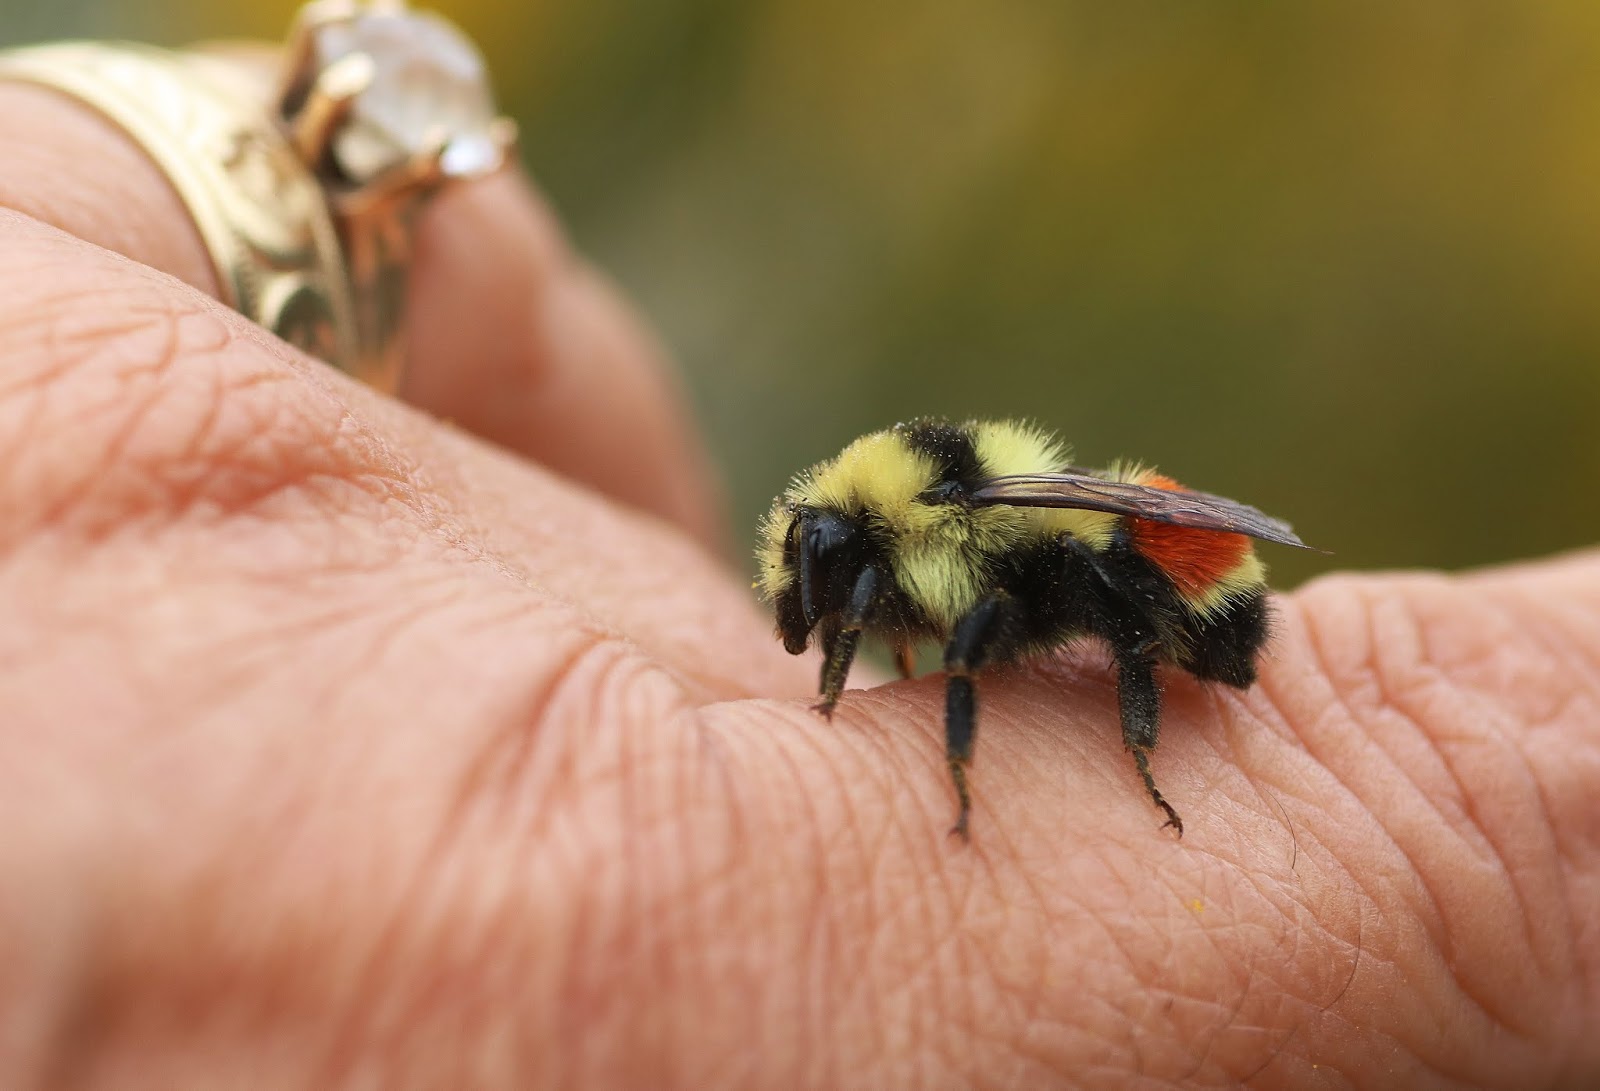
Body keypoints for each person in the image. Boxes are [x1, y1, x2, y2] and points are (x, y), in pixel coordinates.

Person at [0, 53, 1595, 1091]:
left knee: (1073, 594)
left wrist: (1060, 772)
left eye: (828, 574)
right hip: (1138, 551)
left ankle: (1117, 745)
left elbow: (1025, 600)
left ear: (879, 530)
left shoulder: (969, 530)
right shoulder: (910, 540)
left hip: (1182, 579)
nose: (828, 601)